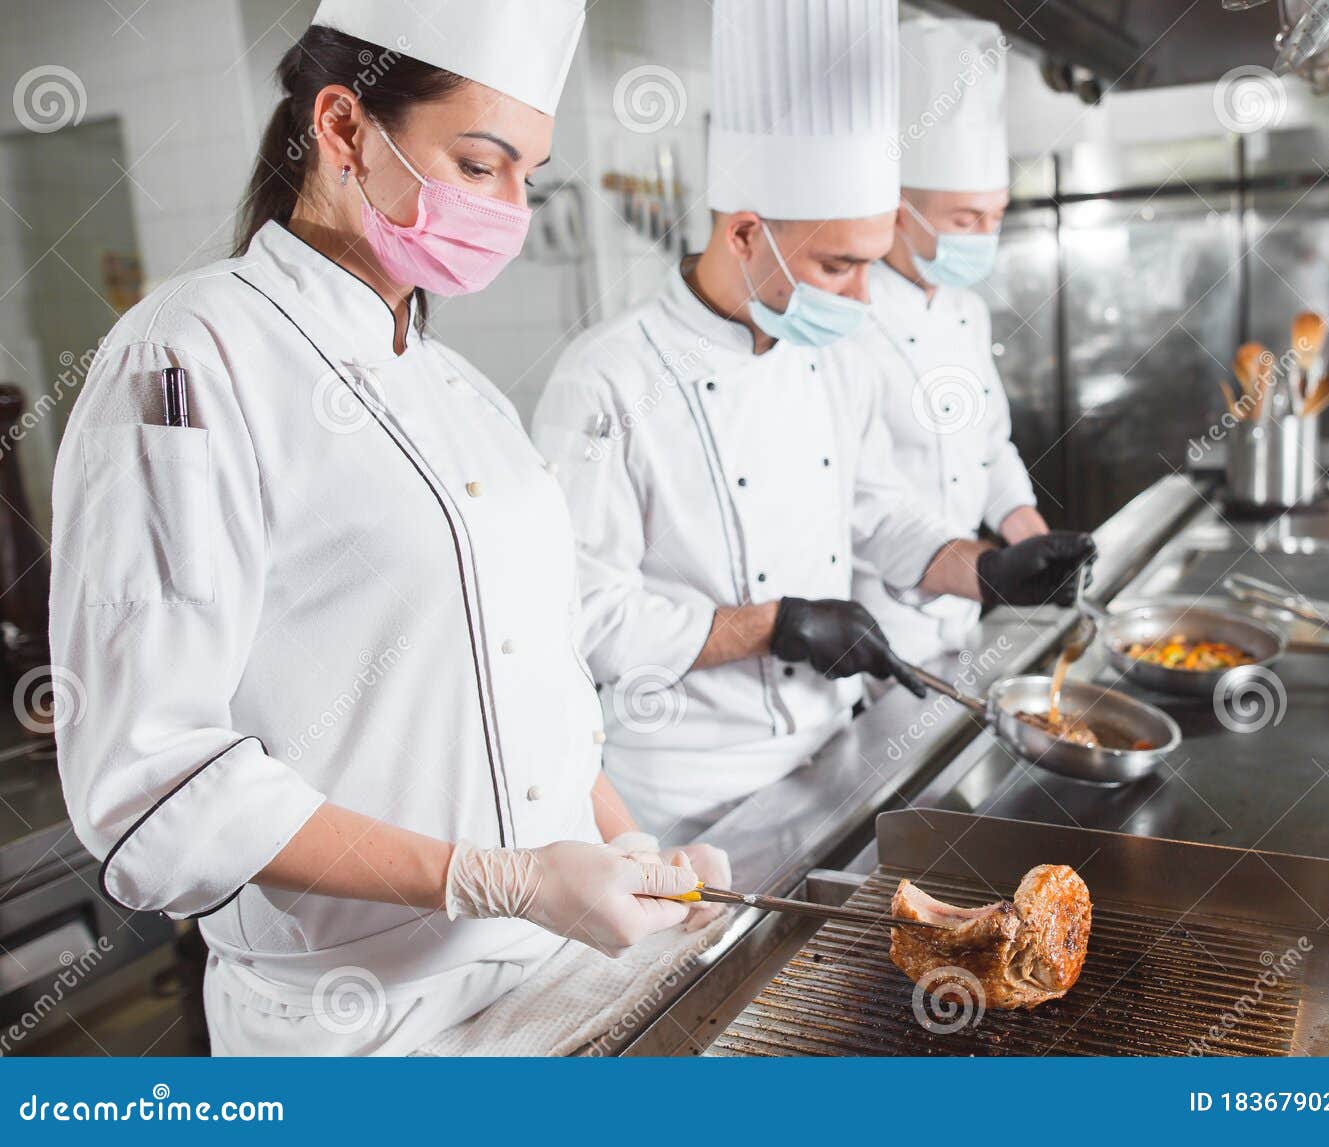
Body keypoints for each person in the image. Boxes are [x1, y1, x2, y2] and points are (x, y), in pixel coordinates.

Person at [49, 0, 725, 1057]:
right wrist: (488, 878)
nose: (510, 206)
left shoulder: (462, 391)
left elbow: (526, 676)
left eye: (526, 176)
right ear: (344, 126)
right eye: (478, 164)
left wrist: (631, 843)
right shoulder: (188, 355)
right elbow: (155, 783)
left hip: (549, 982)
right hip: (356, 1030)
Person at [530, 0, 1094, 838]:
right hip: (687, 802)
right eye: (839, 265)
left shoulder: (826, 356)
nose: (863, 297)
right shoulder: (607, 382)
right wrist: (776, 627)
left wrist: (985, 570)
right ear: (748, 233)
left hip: (832, 754)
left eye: (871, 265)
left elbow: (874, 508)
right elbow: (584, 617)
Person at [852, 16, 1069, 666]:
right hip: (875, 613)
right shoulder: (846, 321)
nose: (983, 236)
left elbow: (988, 445)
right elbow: (857, 498)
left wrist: (1030, 535)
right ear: (897, 207)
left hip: (969, 599)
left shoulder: (967, 311)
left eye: (996, 217)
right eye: (964, 219)